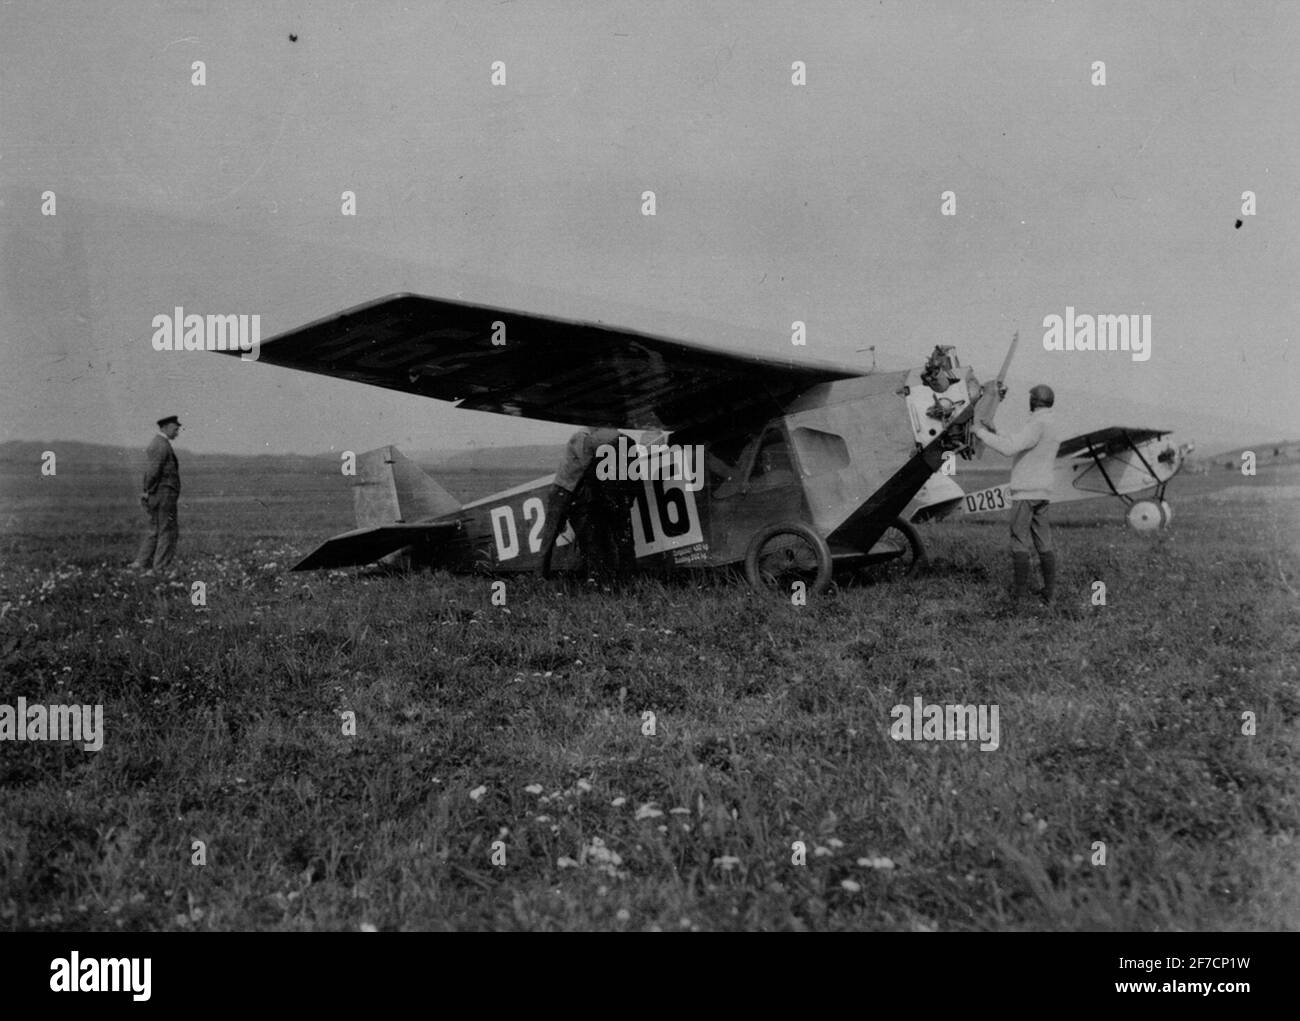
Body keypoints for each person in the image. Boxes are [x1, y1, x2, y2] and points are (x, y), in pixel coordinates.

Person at [972, 385, 1062, 604]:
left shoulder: (1037, 422)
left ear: (1034, 401)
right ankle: (1049, 594)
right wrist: (996, 431)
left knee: (1019, 541)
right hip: (1043, 491)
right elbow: (1023, 442)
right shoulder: (1052, 423)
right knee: (1044, 542)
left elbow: (1010, 448)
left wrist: (980, 433)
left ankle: (1019, 596)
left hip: (1025, 492)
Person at [537, 426, 625, 580]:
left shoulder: (587, 438)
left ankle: (592, 576)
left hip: (575, 494)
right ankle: (540, 576)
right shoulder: (581, 437)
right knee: (550, 538)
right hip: (563, 492)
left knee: (586, 539)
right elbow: (586, 461)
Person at [131, 415, 182, 572]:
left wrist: (148, 491)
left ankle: (140, 564)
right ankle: (161, 568)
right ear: (164, 428)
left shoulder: (159, 444)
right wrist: (148, 491)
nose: (177, 432)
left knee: (155, 530)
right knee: (168, 531)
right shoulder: (161, 445)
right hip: (163, 495)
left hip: (158, 494)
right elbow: (153, 472)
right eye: (175, 429)